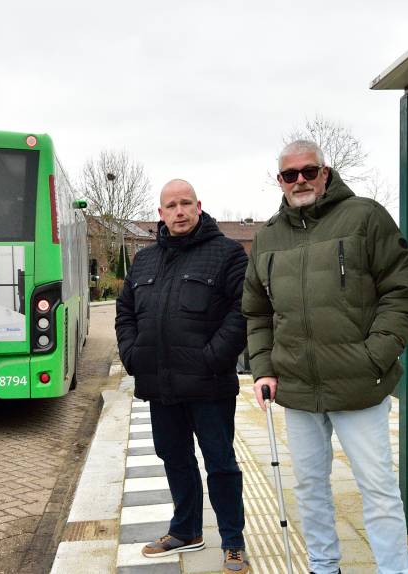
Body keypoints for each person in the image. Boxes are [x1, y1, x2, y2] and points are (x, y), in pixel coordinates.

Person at [242, 140, 408, 574]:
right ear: (279, 180)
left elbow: (402, 292)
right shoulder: (267, 236)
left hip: (359, 384)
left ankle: (395, 570)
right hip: (298, 389)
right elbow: (257, 310)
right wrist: (263, 368)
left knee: (377, 488)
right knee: (309, 487)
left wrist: (374, 355)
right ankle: (324, 566)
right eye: (290, 174)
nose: (300, 180)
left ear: (325, 172)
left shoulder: (364, 217)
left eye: (309, 171)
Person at [115, 179, 251, 574]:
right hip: (161, 385)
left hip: (209, 385)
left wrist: (213, 357)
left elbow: (244, 311)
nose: (178, 211)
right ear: (160, 213)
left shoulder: (227, 254)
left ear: (198, 206)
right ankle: (186, 530)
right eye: (170, 205)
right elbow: (125, 311)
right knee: (174, 457)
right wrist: (132, 353)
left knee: (221, 463)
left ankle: (233, 541)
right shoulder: (144, 260)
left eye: (185, 203)